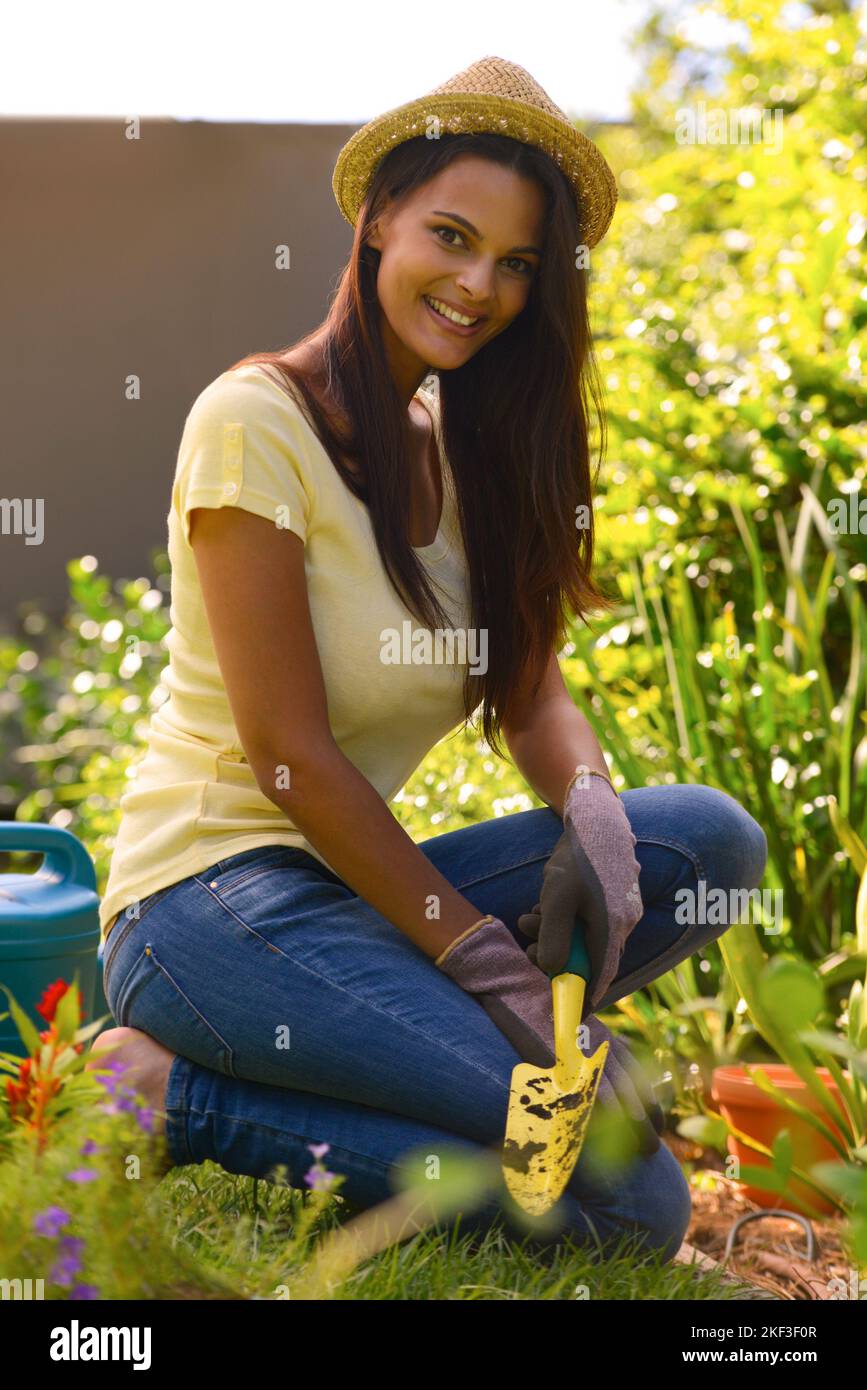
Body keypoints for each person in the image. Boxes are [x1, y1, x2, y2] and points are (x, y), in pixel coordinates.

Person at [88, 56, 768, 1262]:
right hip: (206, 906)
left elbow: (529, 689)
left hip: (349, 897)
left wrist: (594, 808)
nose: (477, 286)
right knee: (630, 1202)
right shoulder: (254, 423)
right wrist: (490, 972)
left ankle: (390, 1058)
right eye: (451, 236)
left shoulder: (459, 443)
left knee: (707, 838)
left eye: (514, 264)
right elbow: (286, 754)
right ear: (378, 217)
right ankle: (170, 1091)